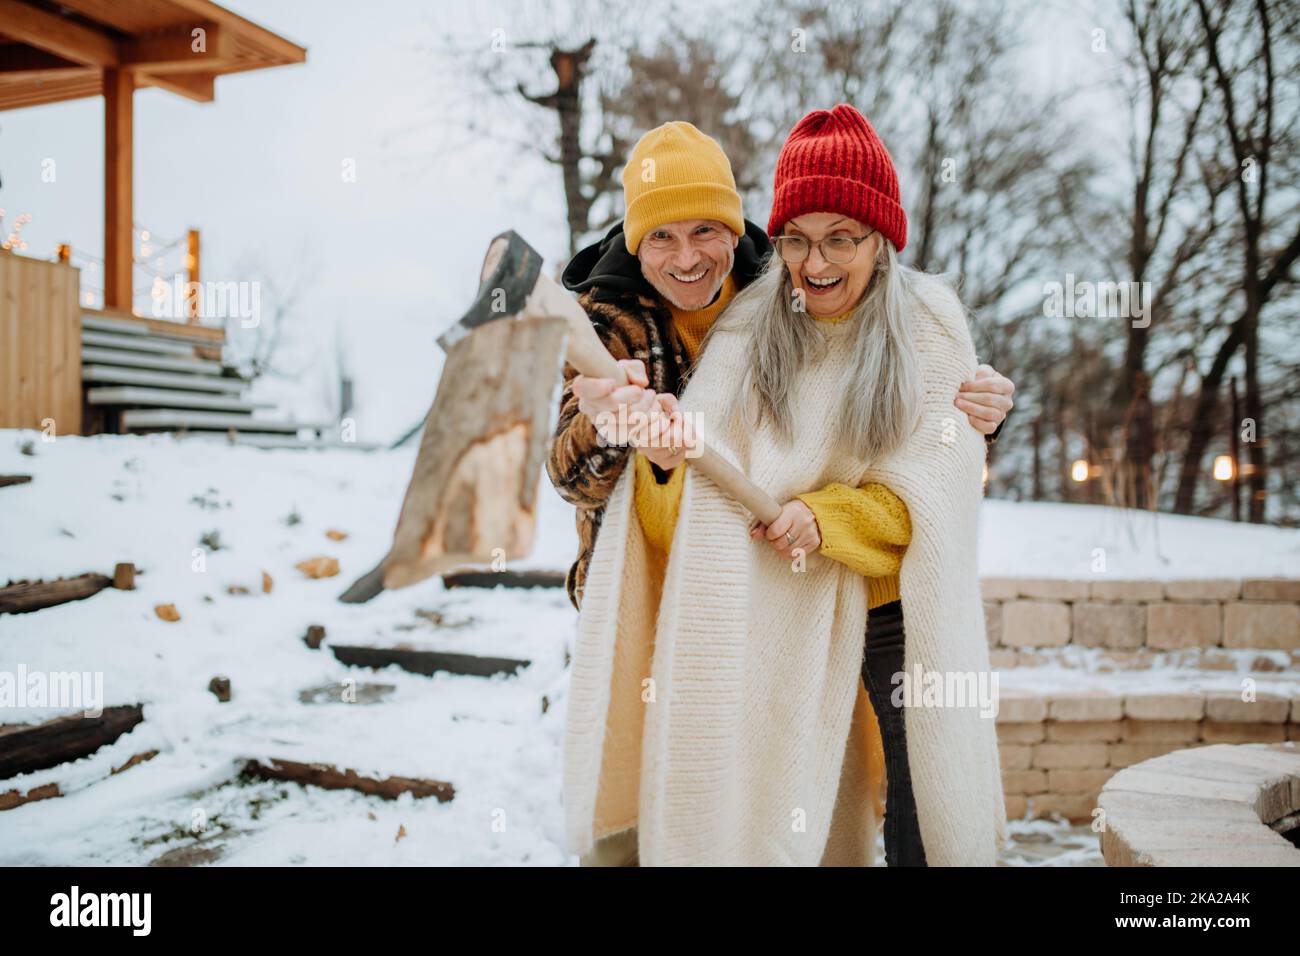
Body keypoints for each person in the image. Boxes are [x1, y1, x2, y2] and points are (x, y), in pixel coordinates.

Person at [546, 115, 1011, 866]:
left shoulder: (919, 319)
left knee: (919, 800)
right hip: (776, 597)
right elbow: (688, 475)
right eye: (797, 237)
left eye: (841, 237)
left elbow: (940, 468)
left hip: (892, 603)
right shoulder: (739, 323)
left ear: (880, 238)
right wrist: (642, 445)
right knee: (772, 797)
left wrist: (835, 513)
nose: (815, 260)